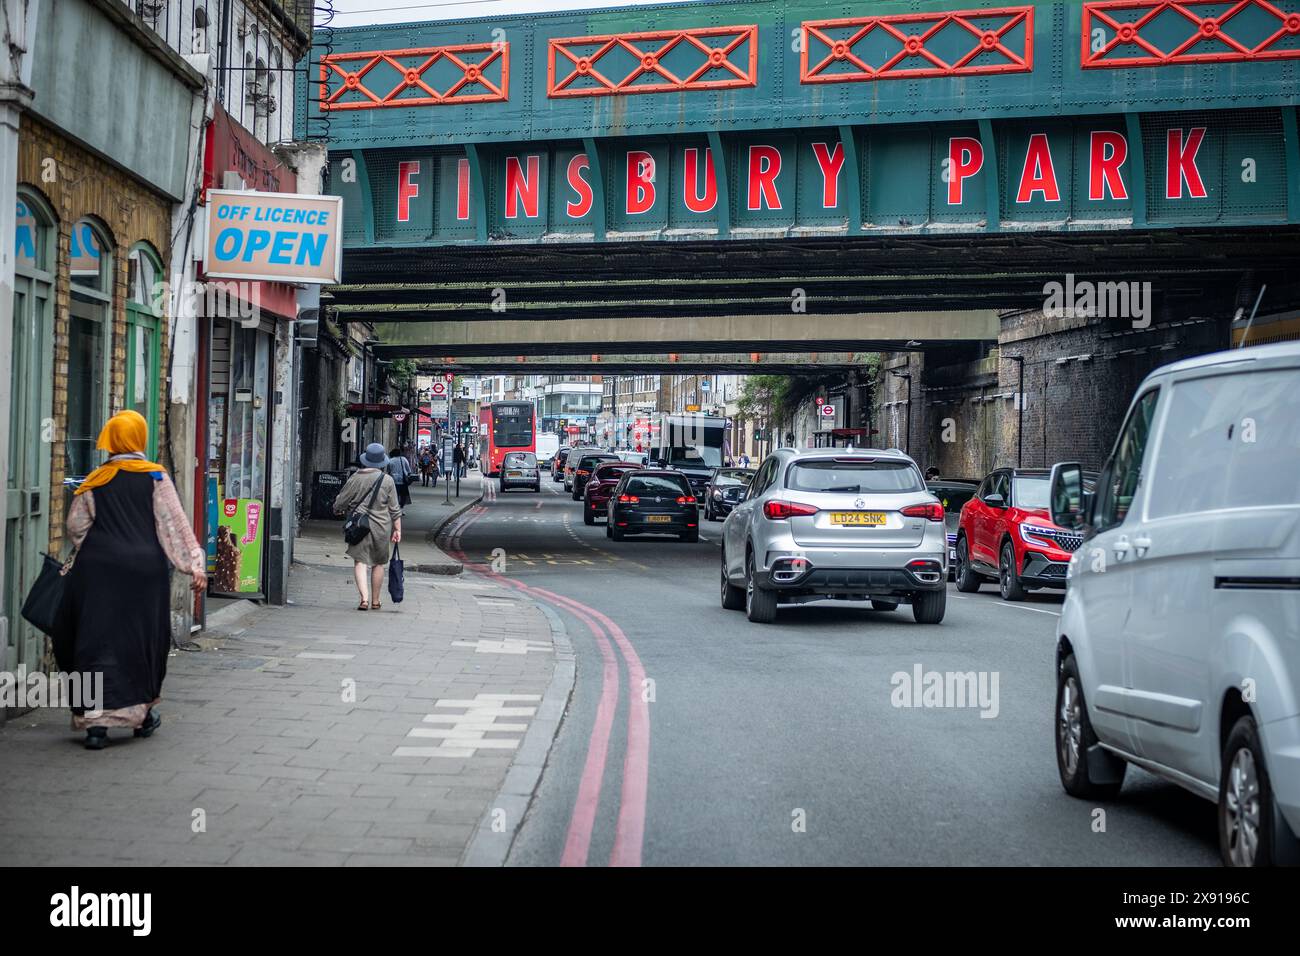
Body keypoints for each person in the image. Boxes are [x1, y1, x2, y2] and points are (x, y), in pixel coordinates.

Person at [57, 410, 206, 750]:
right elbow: (173, 526)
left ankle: (94, 725)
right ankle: (141, 715)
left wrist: (101, 546)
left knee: (92, 642)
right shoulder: (155, 477)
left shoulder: (96, 478)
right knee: (140, 643)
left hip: (96, 574)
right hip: (143, 576)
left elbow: (75, 527)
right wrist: (193, 565)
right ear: (139, 438)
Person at [332, 443, 403, 612]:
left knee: (360, 561)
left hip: (359, 526)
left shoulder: (355, 477)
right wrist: (398, 529)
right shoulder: (387, 480)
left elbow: (341, 501)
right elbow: (395, 509)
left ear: (365, 460)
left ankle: (364, 599)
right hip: (382, 526)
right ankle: (376, 601)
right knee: (378, 564)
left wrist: (337, 508)